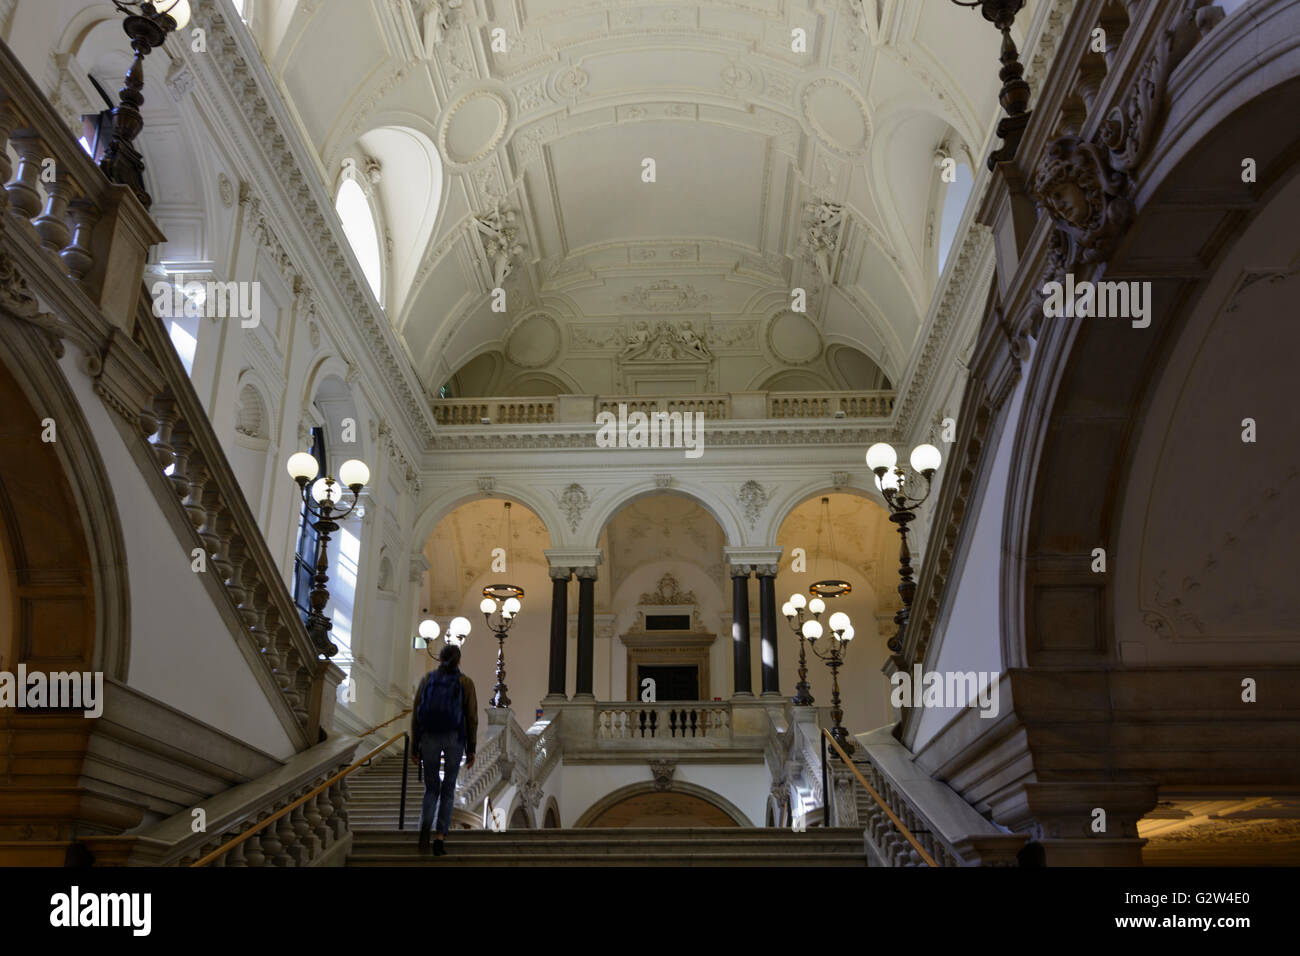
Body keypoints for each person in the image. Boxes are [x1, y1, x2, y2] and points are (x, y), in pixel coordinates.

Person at [410, 643, 477, 855]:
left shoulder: (427, 679)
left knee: (431, 788)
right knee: (448, 790)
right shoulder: (465, 682)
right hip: (454, 738)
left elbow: (416, 713)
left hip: (429, 736)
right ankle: (439, 838)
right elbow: (471, 717)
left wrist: (414, 745)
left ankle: (424, 826)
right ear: (459, 661)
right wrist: (471, 748)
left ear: (440, 659)